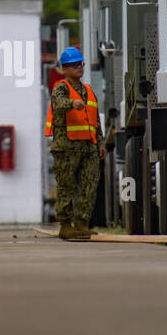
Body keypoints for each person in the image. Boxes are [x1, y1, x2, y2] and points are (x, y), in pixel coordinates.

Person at [44, 47, 104, 241]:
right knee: (66, 187)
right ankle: (65, 225)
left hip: (88, 147)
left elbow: (96, 121)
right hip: (67, 148)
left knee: (89, 185)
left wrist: (100, 144)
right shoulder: (61, 87)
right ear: (64, 68)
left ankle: (81, 224)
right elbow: (58, 102)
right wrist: (72, 103)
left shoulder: (87, 90)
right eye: (74, 65)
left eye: (81, 64)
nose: (79, 67)